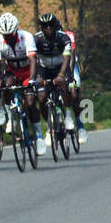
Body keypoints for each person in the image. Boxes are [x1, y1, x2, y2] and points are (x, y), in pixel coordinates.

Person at [0, 12, 42, 153]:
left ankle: (39, 135)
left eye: (11, 35)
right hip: (12, 71)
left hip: (27, 71)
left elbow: (32, 60)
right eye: (5, 36)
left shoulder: (27, 37)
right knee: (5, 87)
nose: (8, 38)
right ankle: (11, 117)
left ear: (16, 31)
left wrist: (31, 79)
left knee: (30, 103)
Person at [33, 13, 75, 149]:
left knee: (64, 85)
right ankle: (49, 126)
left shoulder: (63, 38)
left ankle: (68, 116)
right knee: (41, 98)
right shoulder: (37, 39)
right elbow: (33, 60)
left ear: (55, 26)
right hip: (44, 69)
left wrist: (62, 75)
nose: (48, 28)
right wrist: (38, 76)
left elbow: (67, 58)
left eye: (51, 25)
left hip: (60, 67)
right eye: (45, 26)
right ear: (41, 27)